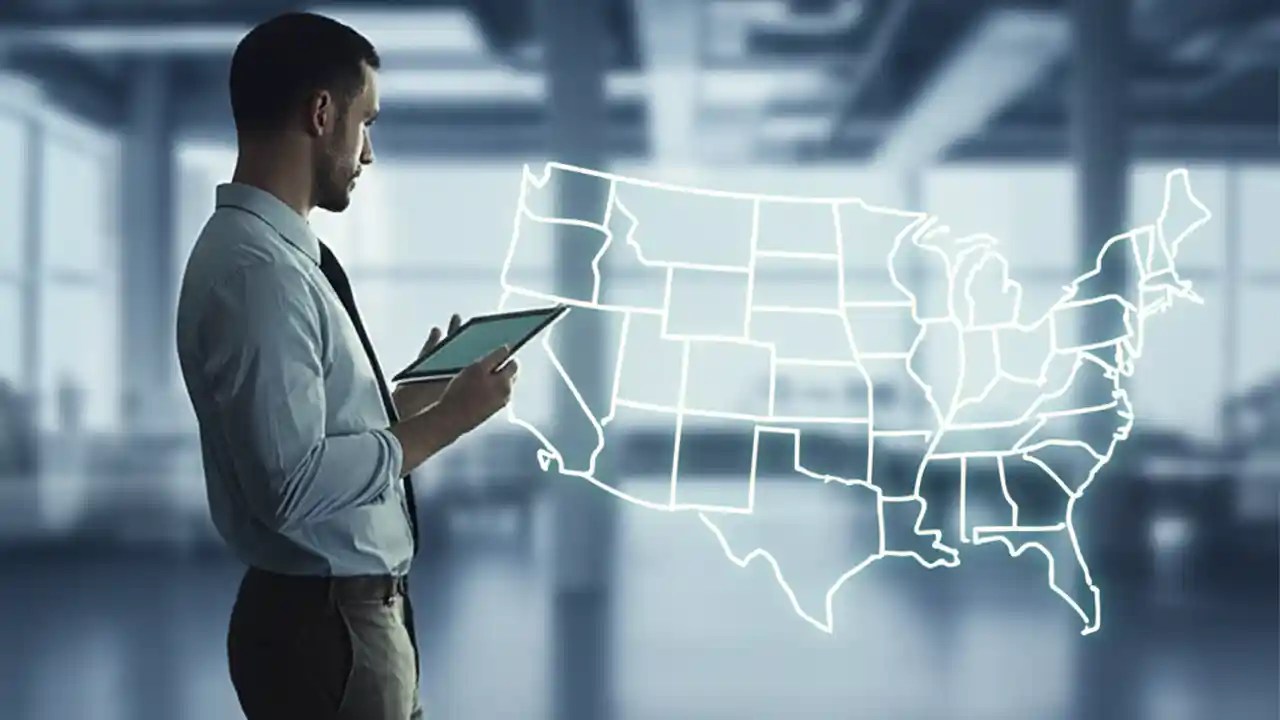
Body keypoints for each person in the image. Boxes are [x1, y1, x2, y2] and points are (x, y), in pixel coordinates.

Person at [174, 12, 517, 719]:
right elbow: (291, 485)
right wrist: (450, 422)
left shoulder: (281, 259)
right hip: (326, 630)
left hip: (340, 620)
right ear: (322, 114)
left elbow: (312, 442)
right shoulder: (257, 273)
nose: (368, 153)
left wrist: (411, 403)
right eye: (366, 122)